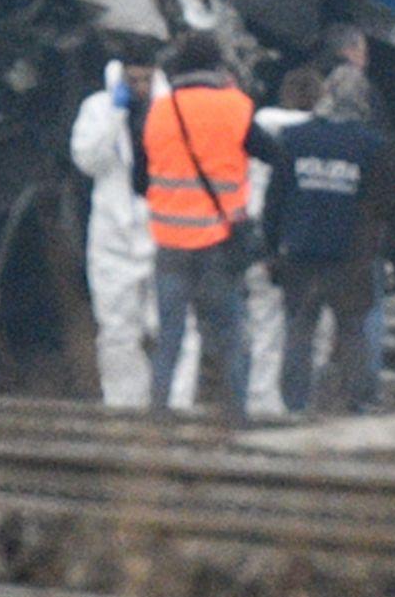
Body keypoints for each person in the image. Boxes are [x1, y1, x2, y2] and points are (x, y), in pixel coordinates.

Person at [255, 61, 395, 415]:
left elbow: (275, 200)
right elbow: (383, 205)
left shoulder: (294, 139)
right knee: (352, 334)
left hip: (300, 252)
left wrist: (270, 248)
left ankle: (294, 404)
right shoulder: (371, 146)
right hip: (350, 258)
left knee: (299, 331)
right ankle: (357, 404)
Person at [143, 29, 257, 419]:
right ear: (217, 64)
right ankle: (236, 418)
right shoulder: (237, 106)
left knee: (170, 335)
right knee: (228, 334)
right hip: (218, 243)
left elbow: (140, 180)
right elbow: (273, 154)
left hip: (170, 241)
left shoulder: (160, 110)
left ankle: (157, 415)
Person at [66, 45, 162, 406]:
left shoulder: (169, 108)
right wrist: (115, 116)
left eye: (145, 79)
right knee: (118, 330)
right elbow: (87, 159)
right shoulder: (99, 108)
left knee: (169, 327)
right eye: (132, 79)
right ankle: (125, 409)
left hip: (161, 229)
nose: (139, 86)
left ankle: (176, 405)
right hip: (113, 235)